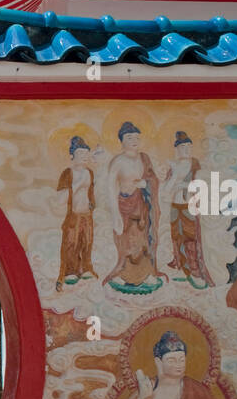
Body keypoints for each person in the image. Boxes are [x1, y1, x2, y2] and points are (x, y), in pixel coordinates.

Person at [102, 122, 164, 292]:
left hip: (142, 205)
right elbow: (110, 187)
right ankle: (125, 275)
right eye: (129, 137)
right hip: (125, 206)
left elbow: (154, 180)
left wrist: (146, 183)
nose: (134, 140)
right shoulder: (118, 161)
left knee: (143, 241)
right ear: (121, 141)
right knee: (128, 242)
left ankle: (146, 273)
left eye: (136, 137)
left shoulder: (144, 159)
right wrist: (115, 214)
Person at [163, 131, 211, 288]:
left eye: (189, 146)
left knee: (191, 239)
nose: (186, 150)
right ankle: (182, 268)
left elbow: (203, 186)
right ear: (177, 150)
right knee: (177, 238)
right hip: (175, 207)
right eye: (183, 147)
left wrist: (185, 185)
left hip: (189, 207)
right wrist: (175, 174)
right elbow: (166, 191)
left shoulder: (195, 165)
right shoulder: (174, 167)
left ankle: (195, 271)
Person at [55, 136, 95, 290]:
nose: (84, 157)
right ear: (72, 156)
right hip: (74, 215)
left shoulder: (89, 172)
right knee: (72, 242)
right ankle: (70, 270)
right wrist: (77, 184)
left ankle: (85, 268)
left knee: (87, 241)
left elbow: (91, 193)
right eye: (81, 154)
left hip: (87, 214)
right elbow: (60, 199)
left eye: (86, 154)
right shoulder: (68, 173)